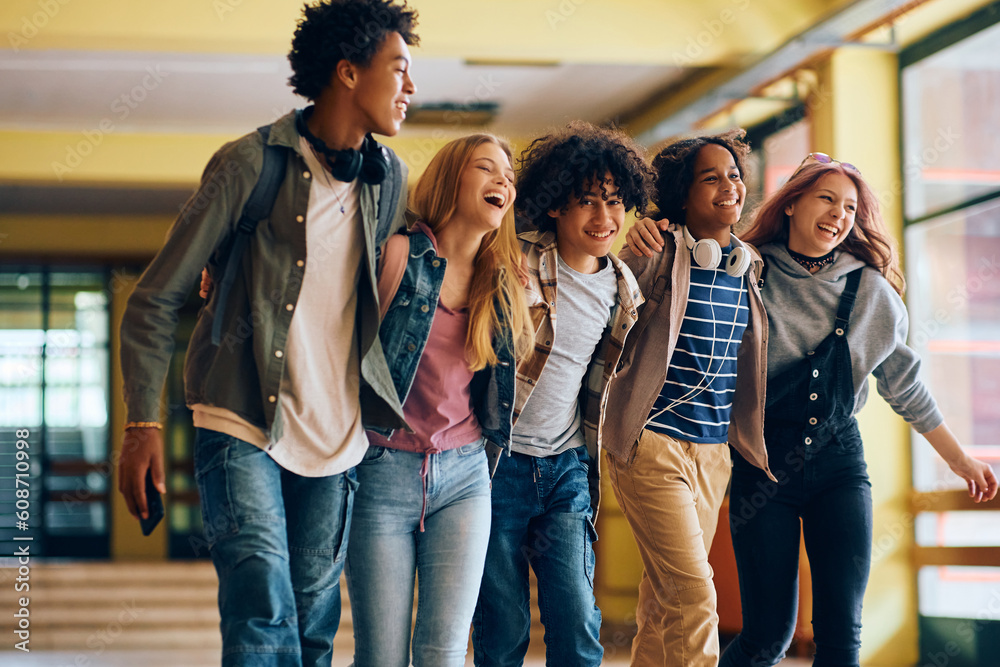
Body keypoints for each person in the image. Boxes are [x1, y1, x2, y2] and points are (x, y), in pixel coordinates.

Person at [116, 2, 418, 665]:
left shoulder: (389, 179)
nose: (411, 87)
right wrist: (142, 426)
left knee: (312, 627)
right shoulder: (248, 165)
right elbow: (153, 301)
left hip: (338, 438)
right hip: (241, 418)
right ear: (346, 71)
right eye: (398, 68)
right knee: (262, 611)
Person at [626, 153, 998, 667]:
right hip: (761, 465)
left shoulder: (872, 292)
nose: (839, 214)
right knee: (766, 637)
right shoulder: (745, 267)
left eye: (850, 207)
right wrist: (650, 230)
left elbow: (904, 385)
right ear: (794, 202)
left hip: (840, 468)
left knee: (841, 637)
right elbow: (681, 277)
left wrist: (960, 460)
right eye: (827, 198)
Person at [345, 134, 534, 667]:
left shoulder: (503, 279)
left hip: (465, 475)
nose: (503, 181)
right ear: (452, 179)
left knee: (445, 651)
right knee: (381, 655)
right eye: (486, 168)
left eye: (509, 175)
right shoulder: (399, 255)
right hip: (383, 468)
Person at [471, 122, 654, 667]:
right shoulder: (514, 258)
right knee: (501, 628)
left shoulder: (623, 287)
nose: (604, 220)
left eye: (616, 203)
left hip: (567, 468)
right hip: (496, 464)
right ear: (554, 206)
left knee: (576, 622)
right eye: (587, 204)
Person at [604, 130, 773, 667]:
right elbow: (608, 301)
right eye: (710, 177)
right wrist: (634, 244)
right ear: (681, 195)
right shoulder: (661, 250)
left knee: (663, 600)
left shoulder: (748, 266)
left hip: (712, 454)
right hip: (653, 444)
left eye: (734, 175)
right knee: (696, 597)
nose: (729, 186)